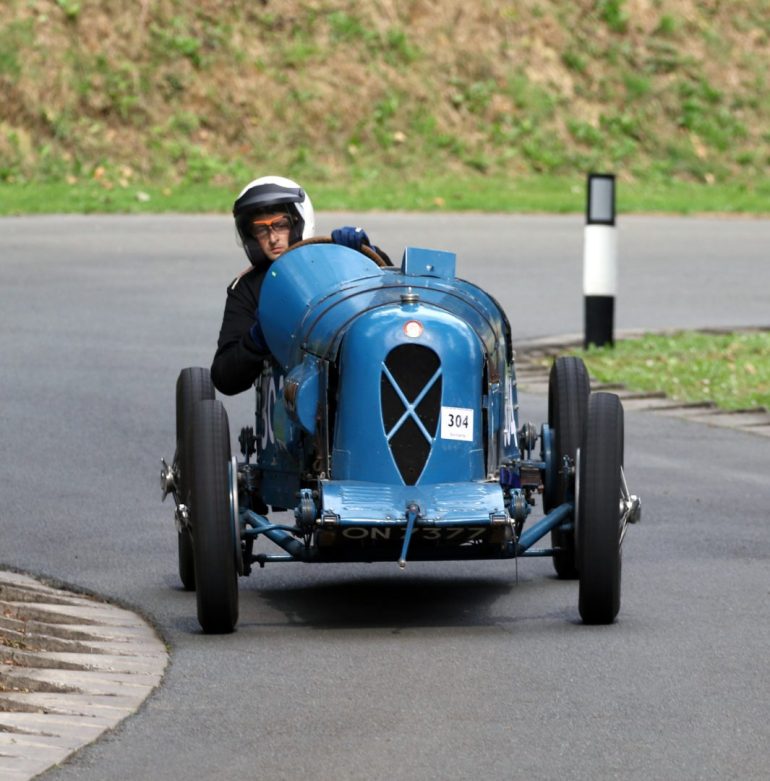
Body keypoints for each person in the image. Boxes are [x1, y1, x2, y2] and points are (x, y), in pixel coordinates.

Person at [210, 175, 387, 395]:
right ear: (251, 236)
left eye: (280, 225)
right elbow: (224, 378)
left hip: (353, 373)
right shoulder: (247, 288)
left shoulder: (335, 261)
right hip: (290, 395)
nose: (273, 238)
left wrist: (368, 254)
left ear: (298, 222)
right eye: (261, 229)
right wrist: (257, 338)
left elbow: (389, 308)